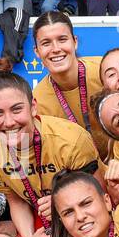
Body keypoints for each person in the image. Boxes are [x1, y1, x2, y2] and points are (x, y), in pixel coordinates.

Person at [0, 71, 100, 237]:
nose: (9, 122)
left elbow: (99, 193)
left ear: (33, 107)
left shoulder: (70, 139)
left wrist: (61, 201)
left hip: (86, 216)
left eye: (16, 109)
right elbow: (15, 198)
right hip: (41, 218)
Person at [29, 12, 110, 158]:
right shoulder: (38, 100)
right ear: (37, 51)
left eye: (62, 39)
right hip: (80, 173)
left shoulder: (105, 70)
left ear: (75, 42)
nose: (56, 49)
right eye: (46, 43)